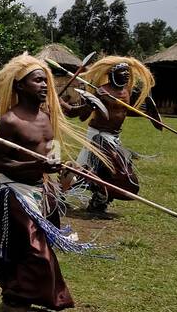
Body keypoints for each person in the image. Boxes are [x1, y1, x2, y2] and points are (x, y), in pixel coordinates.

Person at [0, 55, 106, 312]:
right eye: (38, 80)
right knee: (36, 251)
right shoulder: (10, 121)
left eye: (45, 80)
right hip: (14, 193)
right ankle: (15, 301)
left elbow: (51, 151)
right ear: (20, 86)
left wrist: (66, 169)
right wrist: (36, 166)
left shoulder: (46, 117)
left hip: (41, 191)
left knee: (22, 249)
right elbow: (0, 164)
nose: (45, 85)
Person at [62, 56, 159, 217]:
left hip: (114, 138)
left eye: (128, 72)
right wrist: (90, 101)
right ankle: (67, 195)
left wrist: (150, 113)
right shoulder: (102, 91)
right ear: (112, 74)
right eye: (122, 72)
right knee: (100, 170)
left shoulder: (127, 91)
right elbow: (80, 115)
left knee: (97, 171)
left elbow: (125, 111)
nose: (126, 75)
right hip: (98, 136)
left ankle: (94, 201)